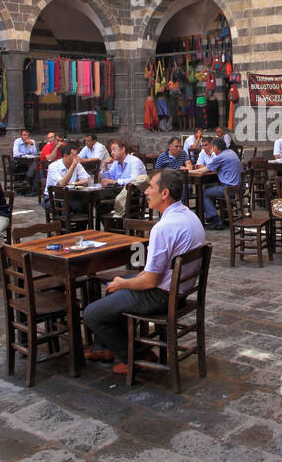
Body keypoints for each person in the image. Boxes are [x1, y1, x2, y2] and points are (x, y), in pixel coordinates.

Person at [82, 169, 206, 374]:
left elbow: (150, 280)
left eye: (151, 187)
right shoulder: (190, 216)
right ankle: (105, 348)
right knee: (111, 289)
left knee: (91, 314)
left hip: (162, 295)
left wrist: (124, 283)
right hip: (180, 290)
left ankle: (138, 355)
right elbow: (154, 271)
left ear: (164, 193)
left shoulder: (163, 227)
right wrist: (126, 281)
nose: (146, 192)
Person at [194, 136, 242, 229]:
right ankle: (216, 216)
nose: (211, 149)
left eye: (212, 147)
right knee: (209, 188)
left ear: (216, 148)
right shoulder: (231, 152)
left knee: (204, 193)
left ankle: (215, 220)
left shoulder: (220, 157)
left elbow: (202, 171)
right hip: (236, 186)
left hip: (228, 188)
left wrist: (188, 171)